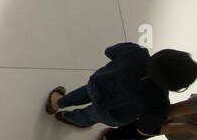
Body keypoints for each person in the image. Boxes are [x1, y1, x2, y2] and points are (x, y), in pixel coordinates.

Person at [45, 45, 197, 131]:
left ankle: (57, 102)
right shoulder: (160, 103)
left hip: (98, 85)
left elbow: (109, 51)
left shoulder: (137, 53)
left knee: (83, 93)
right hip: (113, 114)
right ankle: (72, 118)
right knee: (91, 115)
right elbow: (146, 126)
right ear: (177, 87)